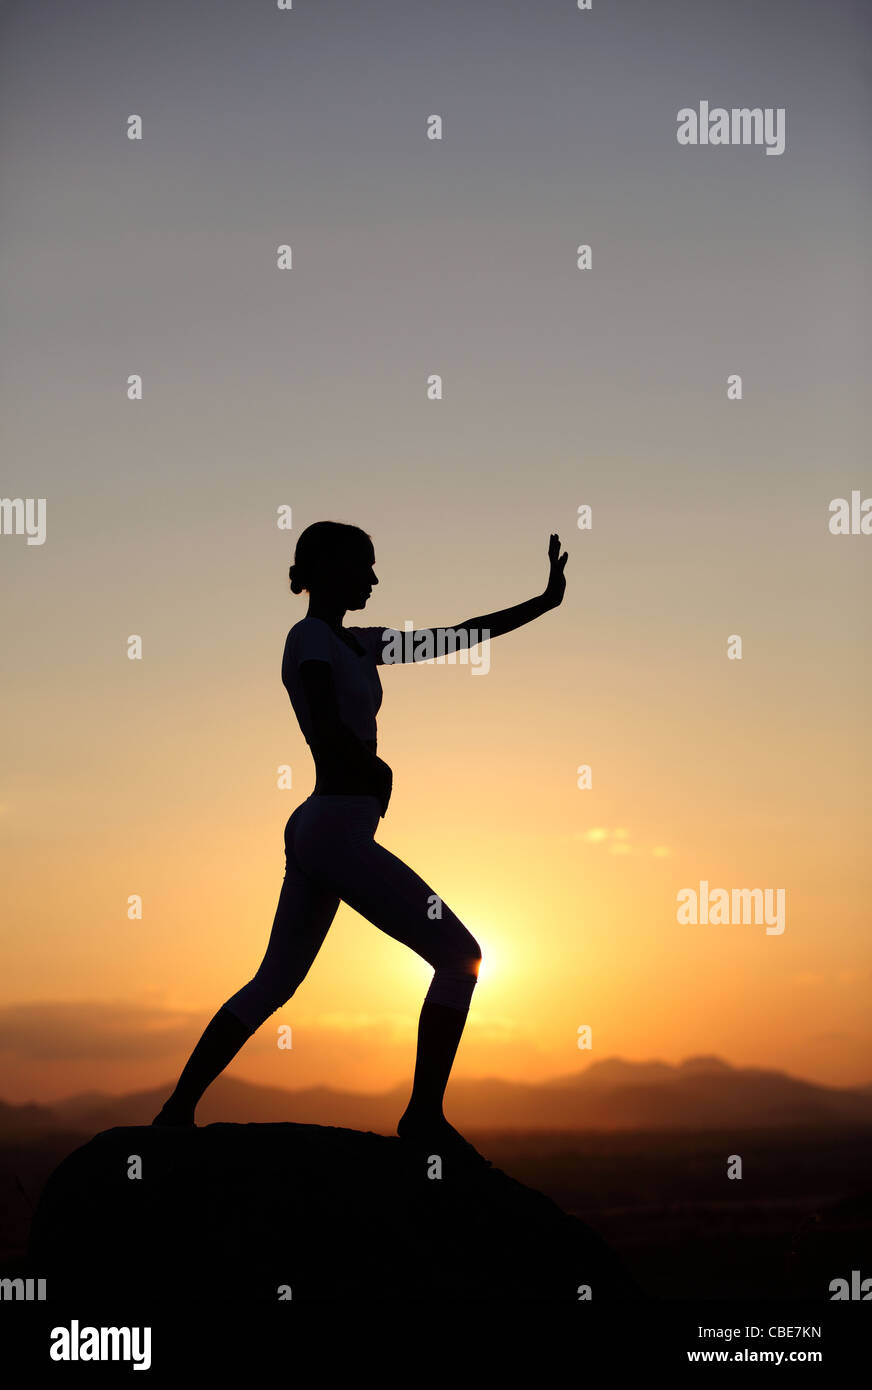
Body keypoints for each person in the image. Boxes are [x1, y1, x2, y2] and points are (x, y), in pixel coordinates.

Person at [152, 522, 568, 1167]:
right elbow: (320, 722)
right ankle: (423, 1117)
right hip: (336, 828)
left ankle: (175, 1114)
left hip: (326, 830)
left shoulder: (357, 644)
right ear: (326, 568)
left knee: (273, 983)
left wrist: (541, 603)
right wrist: (369, 769)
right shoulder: (310, 637)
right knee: (461, 957)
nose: (374, 580)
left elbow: (454, 637)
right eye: (364, 567)